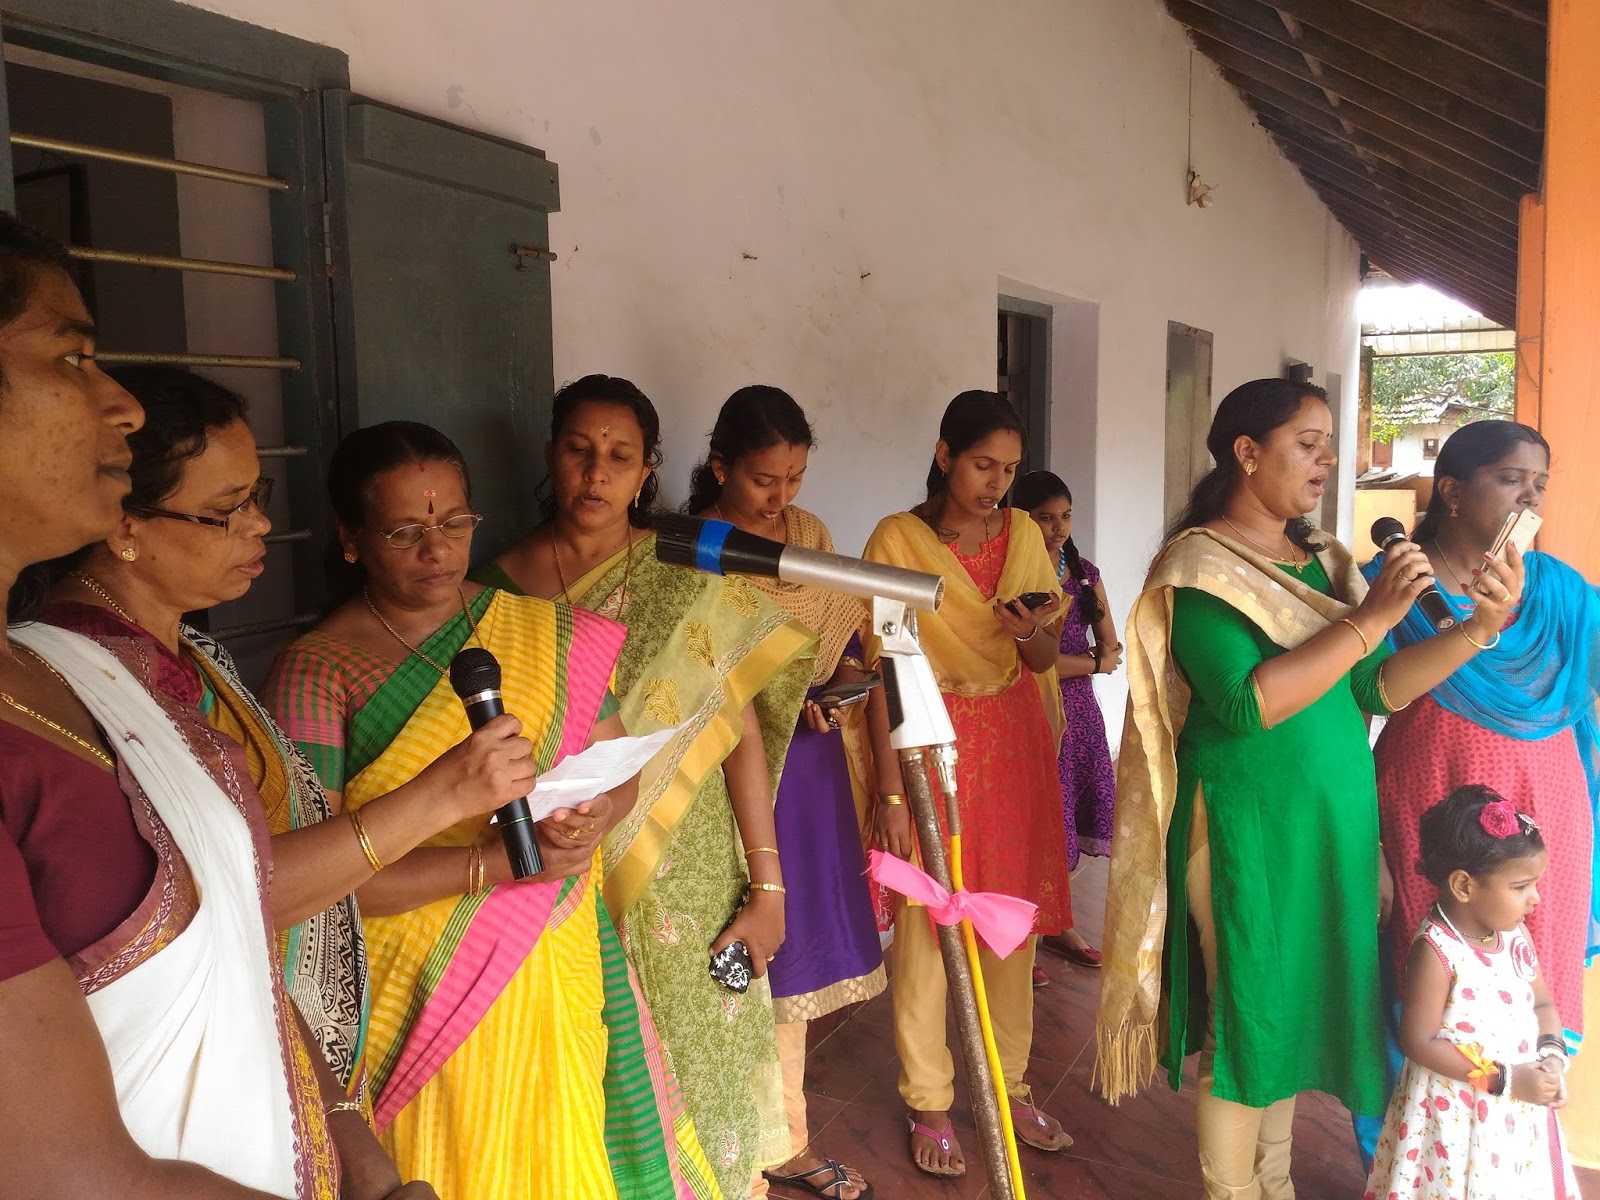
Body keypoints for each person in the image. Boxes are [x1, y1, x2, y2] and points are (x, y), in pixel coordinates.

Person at [0, 219, 426, 1198]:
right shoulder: (84, 667)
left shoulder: (91, 687)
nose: (117, 405)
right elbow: (65, 1173)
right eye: (71, 358)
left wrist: (350, 1139)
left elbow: (236, 939)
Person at [34, 366, 542, 1110]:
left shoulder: (188, 652)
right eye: (226, 509)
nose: (260, 525)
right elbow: (210, 899)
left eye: (256, 497)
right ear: (124, 525)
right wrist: (440, 799)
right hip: (187, 1082)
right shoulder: (78, 684)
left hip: (285, 1046)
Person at [1095, 377, 1522, 1200]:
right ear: (1247, 453)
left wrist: (1475, 630)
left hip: (1332, 819)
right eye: (1307, 443)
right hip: (1245, 823)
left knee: (1290, 1015)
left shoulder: (1325, 560)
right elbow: (1245, 704)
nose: (1327, 460)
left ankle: (1275, 1183)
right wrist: (1372, 618)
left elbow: (1376, 688)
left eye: (1329, 444)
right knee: (1252, 1017)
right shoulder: (1201, 565)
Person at [264, 420, 701, 1200]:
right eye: (405, 532)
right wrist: (489, 865)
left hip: (556, 953)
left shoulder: (542, 628)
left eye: (456, 523)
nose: (438, 550)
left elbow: (617, 771)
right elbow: (311, 886)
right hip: (420, 992)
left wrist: (593, 818)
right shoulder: (319, 670)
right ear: (351, 539)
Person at [475, 373, 816, 1200]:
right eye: (578, 451)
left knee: (707, 1081)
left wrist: (768, 886)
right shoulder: (490, 589)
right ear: (550, 456)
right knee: (599, 1098)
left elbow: (738, 740)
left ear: (647, 469)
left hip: (689, 873)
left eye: (619, 456)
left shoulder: (690, 576)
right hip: (560, 872)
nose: (597, 472)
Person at [860, 389, 1073, 1178]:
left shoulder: (1024, 534)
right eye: (983, 464)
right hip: (928, 735)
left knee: (1008, 920)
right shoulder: (897, 539)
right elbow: (884, 669)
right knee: (929, 922)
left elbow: (1044, 657)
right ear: (945, 455)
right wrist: (889, 795)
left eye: (1009, 470)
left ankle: (1007, 1083)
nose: (996, 484)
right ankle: (929, 1098)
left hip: (1012, 738)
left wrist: (1031, 631)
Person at [684, 385, 885, 1200]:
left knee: (793, 954)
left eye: (795, 477)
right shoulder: (697, 549)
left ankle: (787, 1138)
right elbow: (695, 674)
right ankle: (726, 1142)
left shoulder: (810, 538)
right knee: (731, 945)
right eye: (765, 478)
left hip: (808, 762)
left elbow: (841, 641)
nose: (782, 496)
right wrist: (770, 700)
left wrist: (839, 685)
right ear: (720, 467)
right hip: (728, 770)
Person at [1366, 421, 1596, 1052]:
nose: (1530, 497)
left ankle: (1526, 1100)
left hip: (1547, 815)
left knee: (1534, 985)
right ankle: (1428, 1110)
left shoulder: (1558, 590)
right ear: (1452, 491)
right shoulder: (1392, 582)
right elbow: (1353, 712)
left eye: (1540, 483)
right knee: (1433, 984)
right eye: (1510, 478)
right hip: (1430, 813)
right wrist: (1369, 846)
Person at [1363, 785, 1580, 1200]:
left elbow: (1542, 1003)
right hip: (1453, 1116)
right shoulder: (1437, 951)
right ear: (1464, 885)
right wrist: (1506, 1079)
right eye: (1520, 886)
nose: (1535, 899)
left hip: (1513, 1112)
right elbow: (1418, 1042)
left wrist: (1551, 1059)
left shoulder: (1515, 937)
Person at [1014, 469, 1120, 972]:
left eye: (1066, 516)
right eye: (1045, 517)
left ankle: (1058, 924)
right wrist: (1089, 663)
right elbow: (1032, 663)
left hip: (1078, 715)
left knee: (1068, 819)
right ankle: (1025, 936)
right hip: (1031, 711)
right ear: (1021, 520)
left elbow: (1111, 648)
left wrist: (1088, 663)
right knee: (1037, 822)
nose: (1058, 528)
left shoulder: (1083, 573)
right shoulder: (1015, 580)